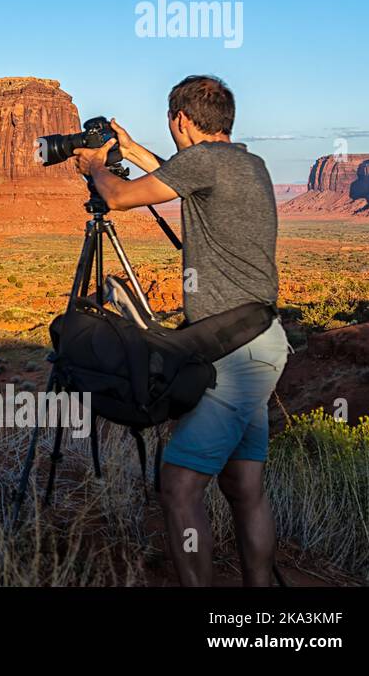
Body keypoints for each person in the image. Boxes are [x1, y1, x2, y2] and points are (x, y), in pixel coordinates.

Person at [72, 74, 287, 587]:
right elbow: (175, 174)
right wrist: (131, 147)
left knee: (180, 486)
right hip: (259, 342)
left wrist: (98, 166)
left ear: (181, 120)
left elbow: (121, 198)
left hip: (232, 355)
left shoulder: (202, 163)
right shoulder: (246, 162)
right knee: (243, 485)